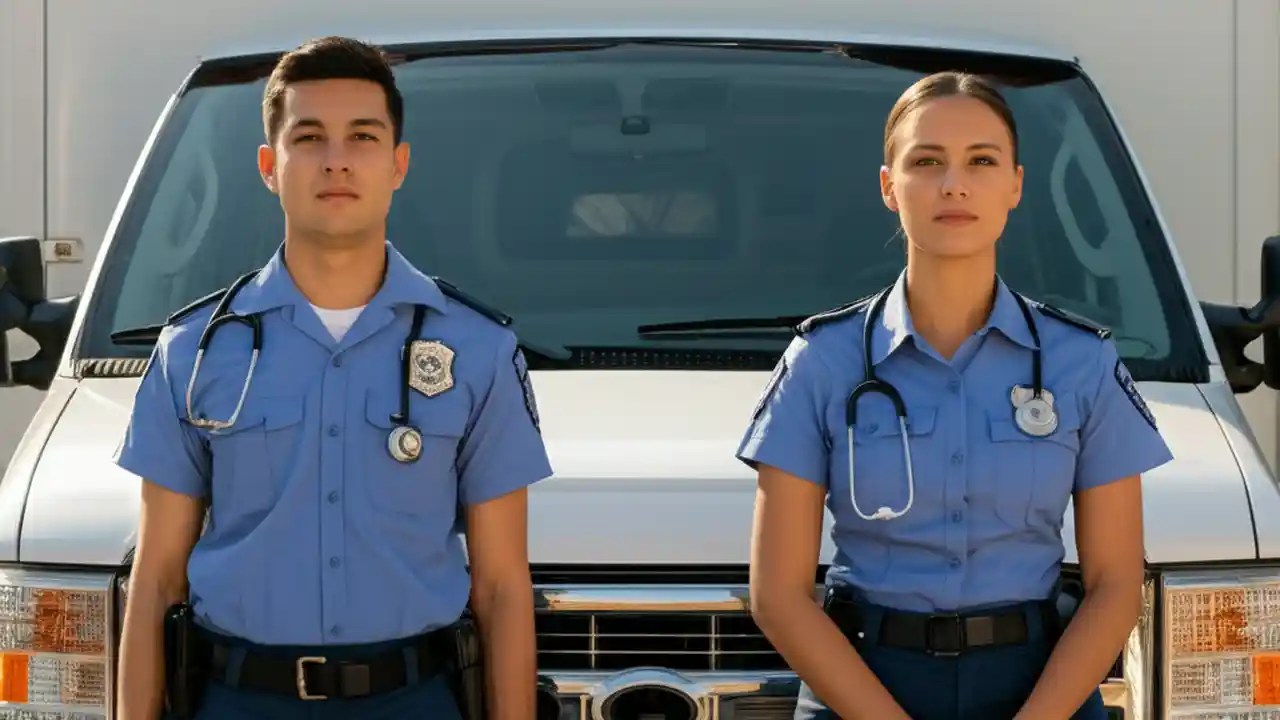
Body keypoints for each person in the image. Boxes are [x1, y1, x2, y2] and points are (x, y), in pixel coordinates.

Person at [113, 36, 553, 720]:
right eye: (309, 136)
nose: (337, 159)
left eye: (364, 136)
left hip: (416, 699)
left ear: (399, 164)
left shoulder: (476, 349)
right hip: (240, 699)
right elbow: (158, 577)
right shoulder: (195, 350)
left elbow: (500, 586)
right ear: (269, 165)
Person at [738, 71, 1173, 720]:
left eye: (981, 160)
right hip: (864, 687)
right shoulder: (821, 363)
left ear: (1016, 185)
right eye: (926, 161)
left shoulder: (1080, 363)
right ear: (889, 186)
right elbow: (777, 593)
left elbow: (1115, 585)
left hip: (1038, 690)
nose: (954, 184)